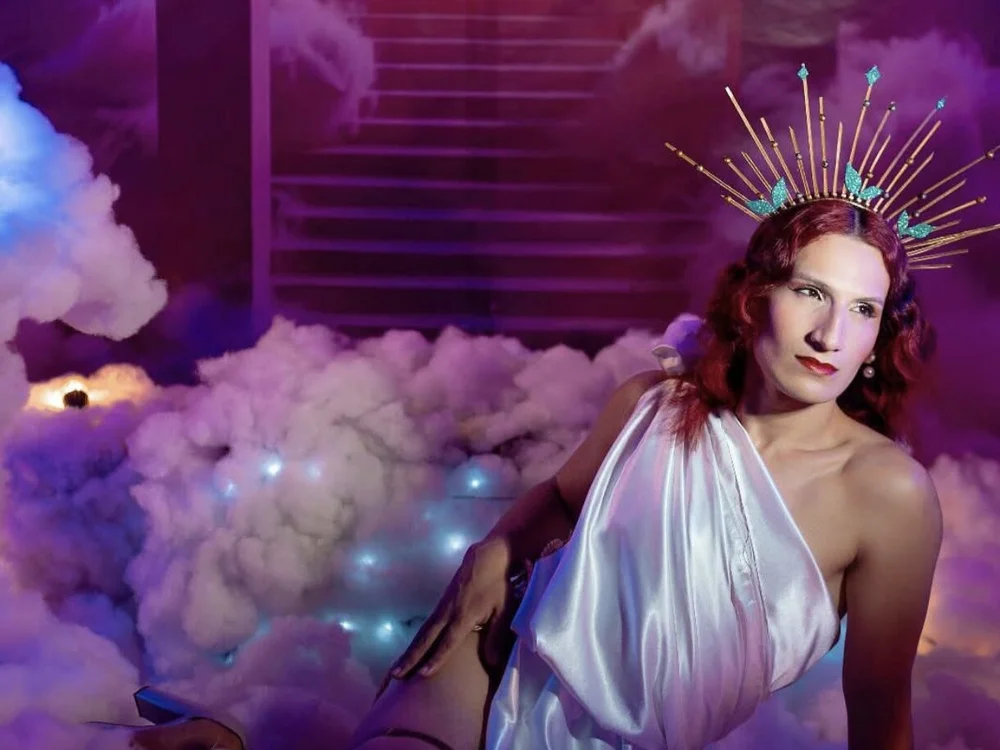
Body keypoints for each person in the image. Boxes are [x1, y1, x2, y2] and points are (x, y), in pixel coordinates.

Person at [348, 65, 997, 749]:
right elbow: (562, 500)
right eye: (810, 292)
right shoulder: (650, 407)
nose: (830, 335)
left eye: (862, 309)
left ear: (878, 338)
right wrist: (496, 551)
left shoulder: (889, 496)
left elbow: (880, 716)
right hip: (491, 665)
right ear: (754, 300)